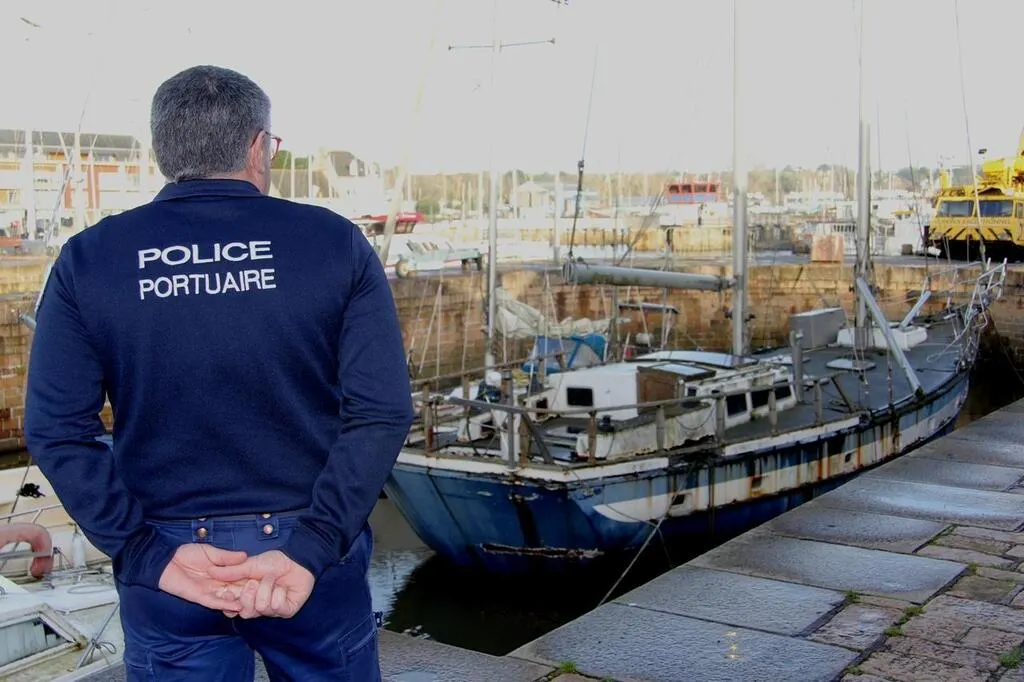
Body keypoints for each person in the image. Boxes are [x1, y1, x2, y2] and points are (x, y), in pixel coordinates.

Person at [24, 64, 414, 680]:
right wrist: (315, 543)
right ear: (258, 147)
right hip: (307, 541)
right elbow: (380, 412)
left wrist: (143, 552)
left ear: (163, 151)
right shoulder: (333, 243)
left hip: (169, 554)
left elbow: (57, 428)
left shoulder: (89, 259)